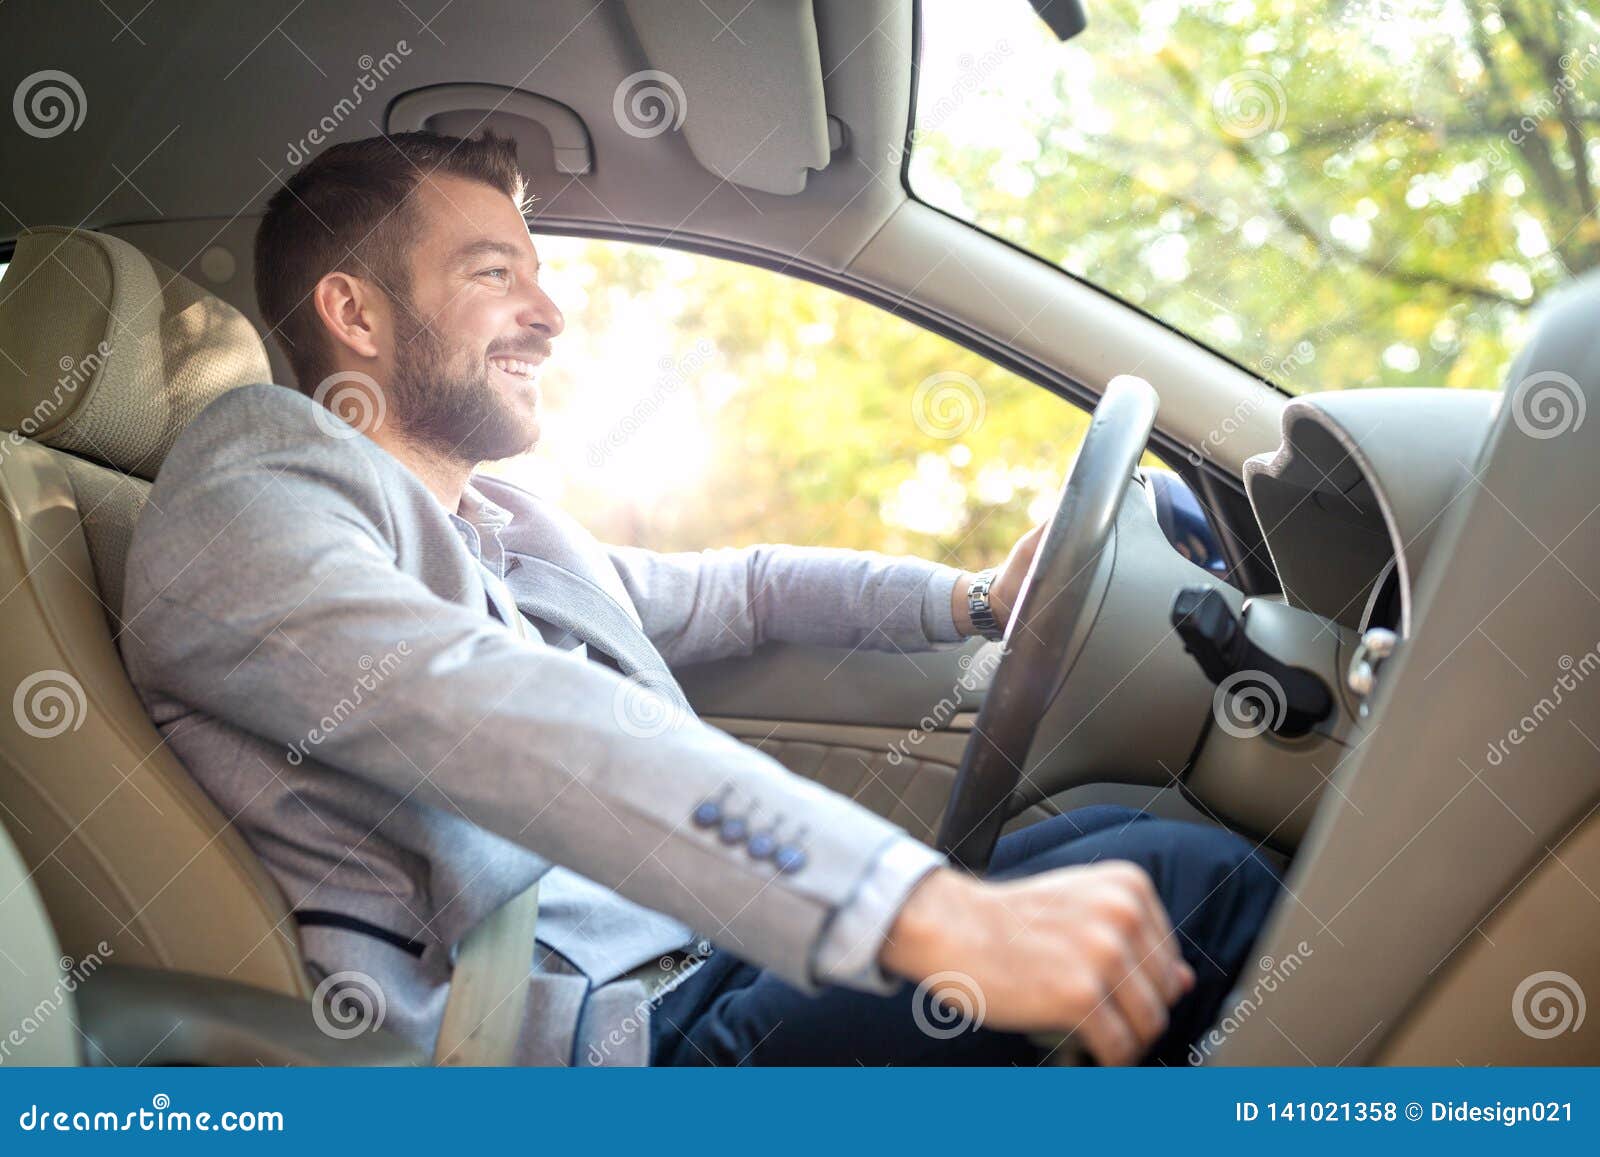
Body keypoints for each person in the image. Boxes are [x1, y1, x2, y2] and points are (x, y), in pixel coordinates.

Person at [119, 130, 1282, 1067]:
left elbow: (746, 592)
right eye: (493, 273)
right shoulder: (253, 472)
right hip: (605, 1059)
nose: (550, 311)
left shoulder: (505, 528)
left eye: (536, 272)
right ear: (355, 315)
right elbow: (474, 705)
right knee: (1199, 890)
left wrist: (977, 597)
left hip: (705, 971)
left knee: (1140, 856)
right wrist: (913, 909)